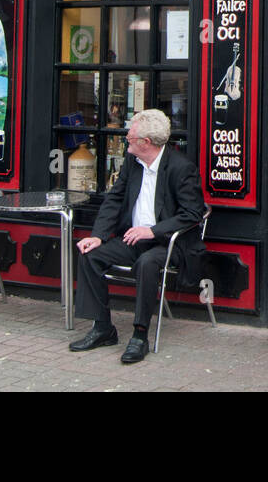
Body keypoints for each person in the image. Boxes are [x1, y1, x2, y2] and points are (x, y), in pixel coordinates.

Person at [69, 109, 205, 364]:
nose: (126, 137)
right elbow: (115, 199)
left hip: (169, 243)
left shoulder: (181, 168)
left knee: (147, 263)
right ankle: (102, 328)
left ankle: (140, 335)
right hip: (133, 238)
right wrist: (98, 236)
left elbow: (192, 213)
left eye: (130, 135)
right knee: (90, 254)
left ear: (146, 142)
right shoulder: (132, 162)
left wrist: (152, 230)